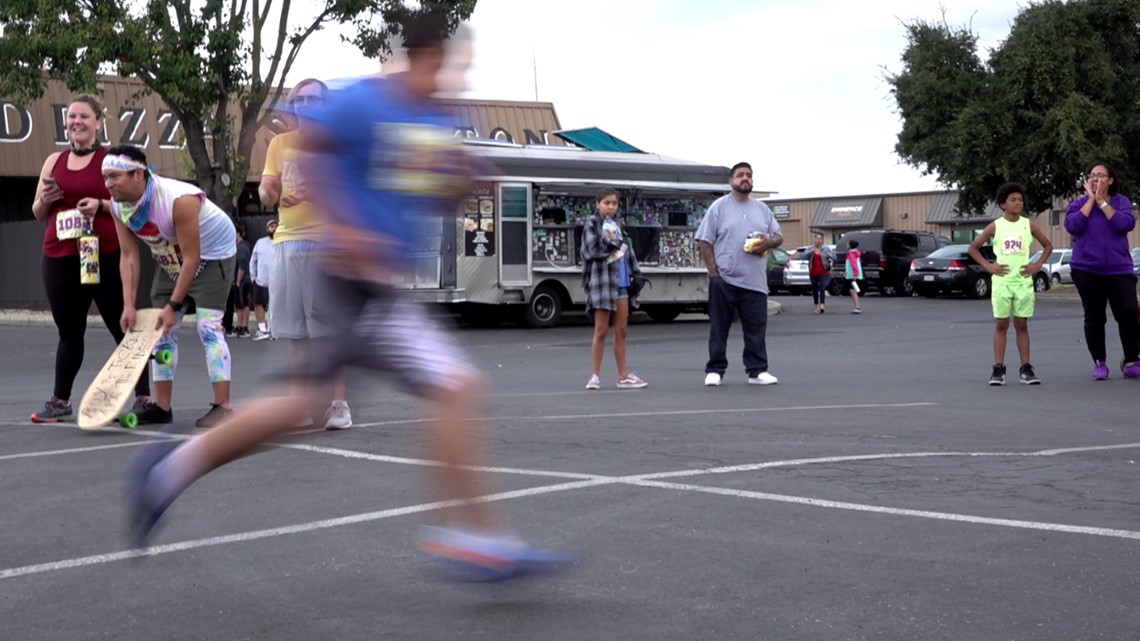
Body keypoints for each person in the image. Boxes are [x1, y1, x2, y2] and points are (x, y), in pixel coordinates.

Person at [125, 15, 568, 581]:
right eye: (453, 64)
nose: (458, 77)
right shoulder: (363, 103)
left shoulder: (431, 118)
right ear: (424, 57)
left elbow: (418, 189)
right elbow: (317, 162)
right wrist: (350, 229)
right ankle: (477, 539)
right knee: (458, 389)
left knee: (294, 407)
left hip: (375, 286)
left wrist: (456, 183)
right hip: (357, 285)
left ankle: (167, 470)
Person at [28, 95, 151, 422]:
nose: (76, 122)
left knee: (121, 326)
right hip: (60, 254)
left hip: (99, 251)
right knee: (69, 330)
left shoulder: (111, 159)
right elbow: (38, 212)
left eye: (84, 116)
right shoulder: (54, 161)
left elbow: (134, 203)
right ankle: (60, 400)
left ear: (98, 122)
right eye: (71, 117)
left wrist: (101, 204)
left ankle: (144, 398)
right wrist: (45, 198)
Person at [104, 145, 238, 428]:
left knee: (208, 328)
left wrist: (173, 306)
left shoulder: (178, 199)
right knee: (160, 331)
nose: (109, 183)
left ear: (138, 174)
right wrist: (129, 305)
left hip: (212, 255)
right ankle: (161, 407)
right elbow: (128, 256)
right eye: (106, 177)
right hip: (169, 256)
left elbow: (193, 257)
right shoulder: (117, 205)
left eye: (115, 176)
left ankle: (223, 406)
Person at [259, 77, 352, 429]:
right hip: (286, 242)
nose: (306, 105)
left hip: (328, 243)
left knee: (329, 331)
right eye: (300, 100)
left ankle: (339, 404)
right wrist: (269, 191)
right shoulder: (280, 144)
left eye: (314, 99)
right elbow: (268, 192)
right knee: (295, 333)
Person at [696, 162, 783, 387]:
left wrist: (768, 241)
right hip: (724, 279)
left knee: (756, 328)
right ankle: (715, 369)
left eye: (749, 175)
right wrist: (713, 273)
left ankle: (757, 371)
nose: (745, 179)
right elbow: (705, 241)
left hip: (754, 281)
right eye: (740, 175)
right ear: (731, 181)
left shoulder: (762, 209)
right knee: (719, 327)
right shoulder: (719, 207)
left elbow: (778, 237)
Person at [969, 182, 1052, 385]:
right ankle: (999, 368)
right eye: (1013, 200)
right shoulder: (996, 226)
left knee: (1021, 324)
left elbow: (1048, 246)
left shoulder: (1028, 224)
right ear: (1003, 204)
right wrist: (989, 267)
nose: (1018, 203)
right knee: (1001, 324)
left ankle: (1026, 368)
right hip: (1002, 283)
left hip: (1022, 282)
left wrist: (1036, 265)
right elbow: (973, 248)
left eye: (1020, 200)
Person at [1064, 162, 1140, 380]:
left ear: (1111, 180)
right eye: (1092, 175)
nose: (1096, 178)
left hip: (1119, 268)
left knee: (1127, 312)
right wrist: (1090, 201)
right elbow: (1073, 226)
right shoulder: (1079, 204)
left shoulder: (1121, 202)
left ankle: (1132, 361)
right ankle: (1100, 363)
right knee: (1095, 316)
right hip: (1087, 268)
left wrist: (1102, 203)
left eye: (1101, 175)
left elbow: (1124, 224)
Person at [580, 187, 648, 390]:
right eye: (606, 203)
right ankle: (595, 375)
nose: (610, 207)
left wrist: (637, 274)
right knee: (601, 330)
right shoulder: (592, 224)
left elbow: (628, 251)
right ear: (597, 204)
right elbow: (591, 250)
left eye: (614, 203)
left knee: (622, 330)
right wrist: (612, 241)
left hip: (621, 282)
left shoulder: (617, 226)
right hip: (602, 282)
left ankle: (623, 375)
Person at [249, 219, 277, 340]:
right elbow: (253, 260)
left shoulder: (282, 242)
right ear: (267, 229)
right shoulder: (260, 242)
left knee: (274, 307)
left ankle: (273, 330)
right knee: (258, 304)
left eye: (276, 225)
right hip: (260, 281)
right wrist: (253, 276)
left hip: (277, 282)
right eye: (271, 225)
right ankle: (262, 329)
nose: (274, 227)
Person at [233, 223, 253, 338]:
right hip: (237, 280)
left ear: (238, 234)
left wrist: (238, 281)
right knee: (239, 304)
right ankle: (240, 325)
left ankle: (245, 327)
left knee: (245, 303)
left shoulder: (242, 248)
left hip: (243, 280)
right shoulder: (237, 247)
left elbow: (242, 266)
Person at [807, 232, 835, 314]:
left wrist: (829, 255)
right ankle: (816, 305)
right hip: (813, 272)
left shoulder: (826, 248)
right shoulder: (811, 248)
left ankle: (822, 304)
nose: (818, 240)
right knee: (815, 289)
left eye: (820, 239)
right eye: (817, 238)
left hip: (823, 272)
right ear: (814, 239)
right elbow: (804, 255)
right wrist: (810, 252)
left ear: (822, 240)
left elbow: (835, 257)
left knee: (822, 288)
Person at [845, 240, 863, 314]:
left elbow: (853, 264)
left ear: (850, 245)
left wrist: (855, 274)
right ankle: (857, 306)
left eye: (847, 243)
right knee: (853, 291)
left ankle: (857, 307)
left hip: (852, 275)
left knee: (853, 291)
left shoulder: (851, 253)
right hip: (854, 274)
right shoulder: (856, 252)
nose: (846, 245)